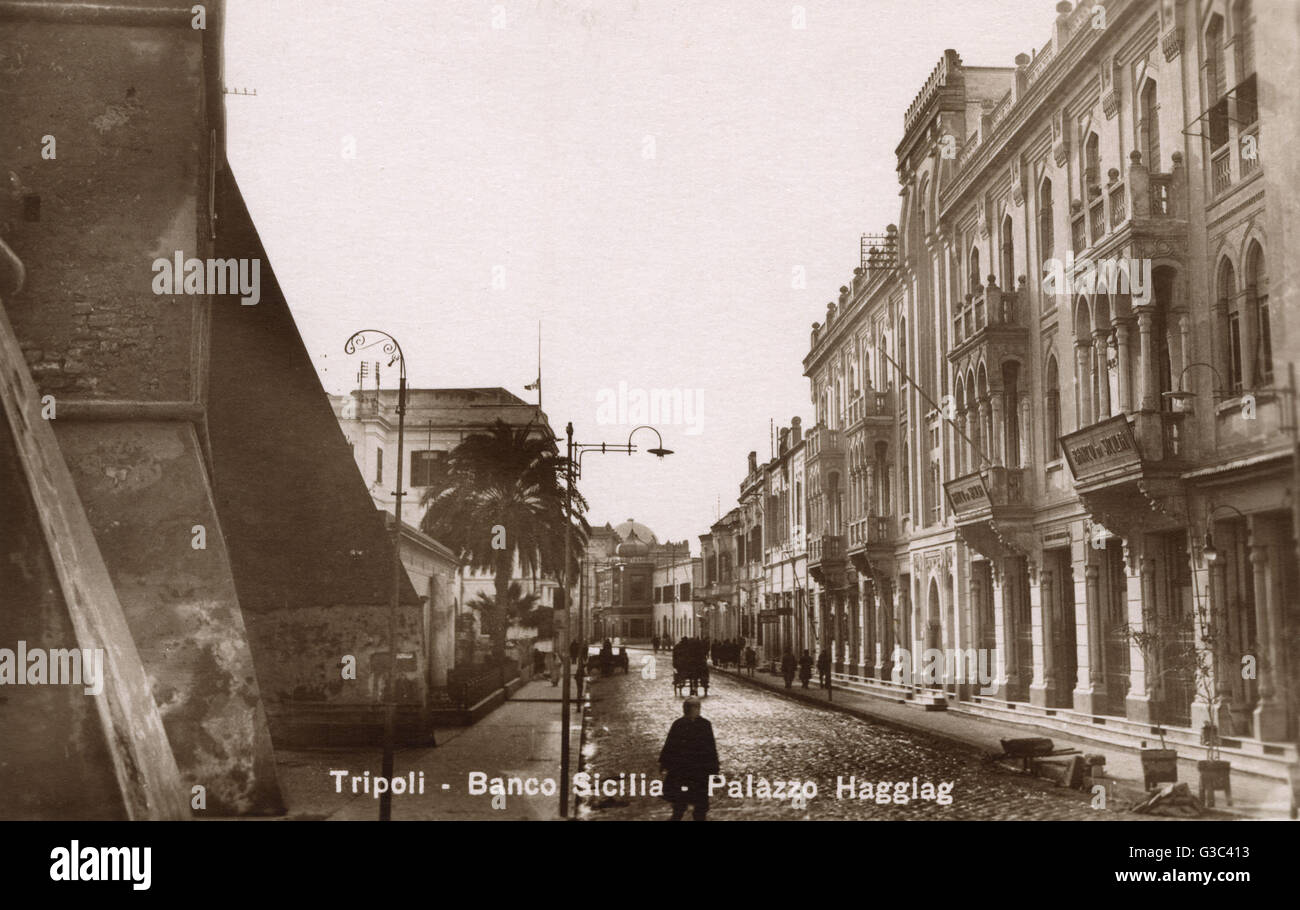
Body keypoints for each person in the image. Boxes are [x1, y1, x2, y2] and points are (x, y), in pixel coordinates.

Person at [658, 696, 719, 821]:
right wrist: (665, 763)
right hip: (684, 771)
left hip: (697, 771)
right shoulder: (680, 724)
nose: (694, 710)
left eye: (695, 707)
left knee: (699, 804)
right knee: (680, 803)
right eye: (692, 707)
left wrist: (714, 768)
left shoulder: (704, 725)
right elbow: (670, 745)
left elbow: (710, 747)